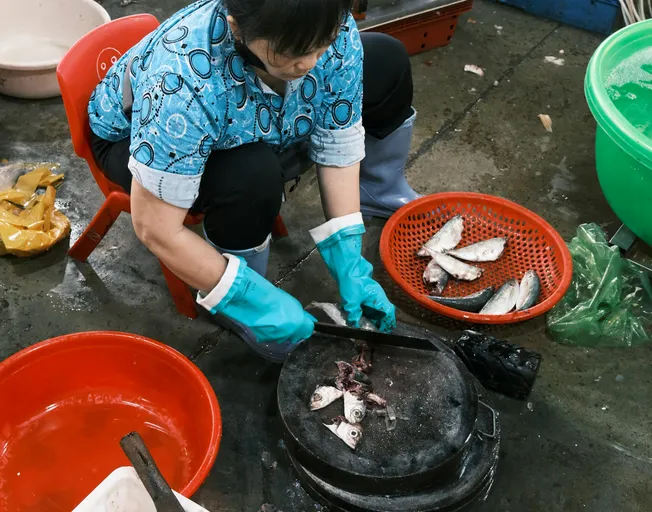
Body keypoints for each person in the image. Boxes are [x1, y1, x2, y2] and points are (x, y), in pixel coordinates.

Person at [88, 0, 420, 361]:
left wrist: (348, 253)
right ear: (236, 28)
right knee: (252, 175)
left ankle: (375, 192)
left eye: (320, 45)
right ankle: (237, 296)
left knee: (385, 58)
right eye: (293, 52)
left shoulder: (327, 24)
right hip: (137, 139)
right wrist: (247, 298)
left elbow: (336, 136)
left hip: (249, 119)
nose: (309, 64)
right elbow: (154, 227)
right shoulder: (183, 79)